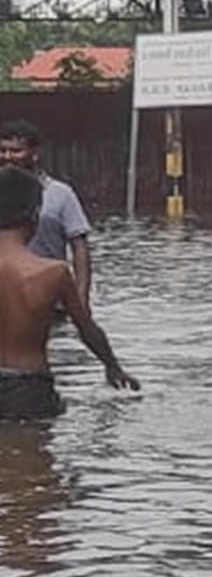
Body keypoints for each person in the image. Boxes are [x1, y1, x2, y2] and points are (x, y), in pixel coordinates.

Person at [0, 168, 137, 421]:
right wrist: (113, 367)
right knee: (31, 454)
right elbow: (86, 328)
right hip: (29, 388)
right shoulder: (53, 273)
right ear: (35, 215)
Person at [0, 120, 92, 310]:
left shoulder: (60, 194)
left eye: (16, 151)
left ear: (34, 154)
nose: (8, 157)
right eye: (3, 151)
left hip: (50, 300)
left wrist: (81, 299)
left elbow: (80, 248)